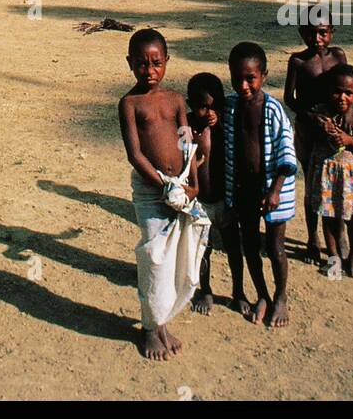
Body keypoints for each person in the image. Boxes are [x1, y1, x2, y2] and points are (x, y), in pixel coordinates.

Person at [118, 28, 207, 361]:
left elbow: (187, 140)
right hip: (151, 189)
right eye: (141, 64)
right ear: (130, 64)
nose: (149, 71)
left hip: (182, 186)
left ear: (167, 61)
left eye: (156, 63)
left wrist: (193, 182)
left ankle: (163, 322)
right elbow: (135, 154)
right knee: (154, 257)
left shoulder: (175, 100)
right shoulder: (129, 103)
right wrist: (163, 185)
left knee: (173, 257)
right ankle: (148, 328)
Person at [224, 42, 296, 328]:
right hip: (243, 190)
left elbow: (286, 151)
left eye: (250, 78)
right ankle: (262, 294)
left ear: (264, 75)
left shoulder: (273, 110)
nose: (243, 85)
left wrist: (276, 189)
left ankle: (280, 296)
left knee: (276, 247)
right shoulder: (229, 108)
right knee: (250, 246)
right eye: (237, 78)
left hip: (272, 190)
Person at [284, 18, 347, 263]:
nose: (317, 39)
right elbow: (289, 97)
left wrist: (345, 119)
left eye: (322, 33)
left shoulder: (339, 56)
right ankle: (312, 237)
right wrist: (311, 115)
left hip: (334, 131)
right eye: (310, 34)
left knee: (336, 184)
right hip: (308, 130)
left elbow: (347, 89)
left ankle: (338, 233)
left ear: (332, 31)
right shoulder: (298, 61)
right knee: (312, 184)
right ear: (302, 33)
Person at [186, 72, 249, 317]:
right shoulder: (187, 127)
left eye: (215, 106)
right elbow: (179, 158)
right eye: (202, 107)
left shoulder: (225, 127)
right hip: (199, 202)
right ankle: (206, 289)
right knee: (203, 249)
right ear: (191, 105)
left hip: (225, 200)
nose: (210, 113)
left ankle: (238, 292)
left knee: (234, 247)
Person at [306, 63, 353, 278]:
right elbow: (308, 125)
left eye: (348, 93)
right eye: (337, 91)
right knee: (328, 217)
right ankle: (333, 259)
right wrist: (320, 127)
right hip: (326, 175)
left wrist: (350, 140)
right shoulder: (321, 115)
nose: (342, 97)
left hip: (348, 178)